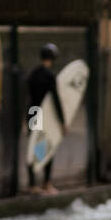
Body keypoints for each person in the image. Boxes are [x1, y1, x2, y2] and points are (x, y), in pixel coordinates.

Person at [25, 43, 64, 195]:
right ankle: (47, 183)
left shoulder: (33, 74)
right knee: (48, 146)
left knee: (33, 147)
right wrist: (62, 122)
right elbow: (56, 100)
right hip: (46, 116)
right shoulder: (49, 76)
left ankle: (31, 184)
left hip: (32, 113)